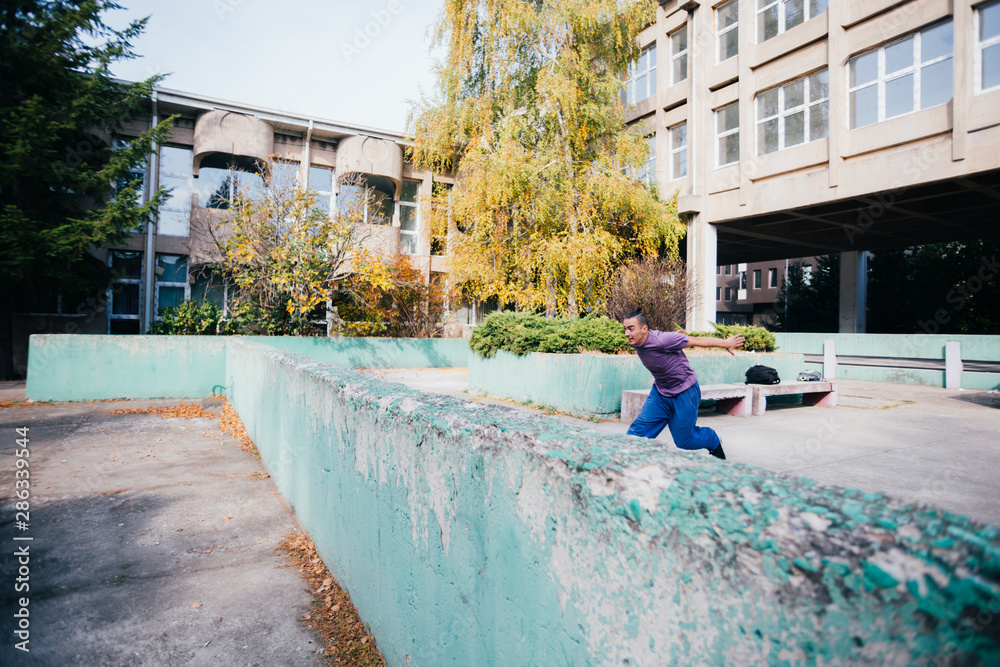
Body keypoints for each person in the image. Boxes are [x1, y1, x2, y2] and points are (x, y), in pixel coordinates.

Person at [622, 309, 745, 460]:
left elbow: (697, 341)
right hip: (660, 393)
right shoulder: (637, 341)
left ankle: (712, 439)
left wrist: (725, 343)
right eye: (625, 329)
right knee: (635, 435)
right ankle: (622, 468)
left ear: (644, 329)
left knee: (684, 441)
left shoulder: (663, 339)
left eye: (631, 329)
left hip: (685, 392)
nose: (627, 334)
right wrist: (676, 338)